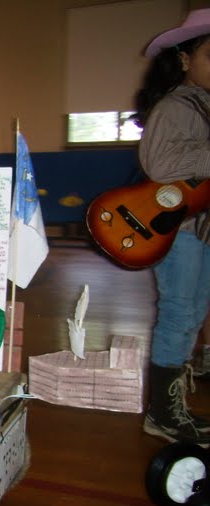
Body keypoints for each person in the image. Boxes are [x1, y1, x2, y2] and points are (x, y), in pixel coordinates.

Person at [133, 8, 210, 447]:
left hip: (199, 229)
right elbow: (161, 164)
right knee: (180, 314)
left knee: (193, 315)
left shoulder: (202, 104)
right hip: (180, 230)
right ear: (184, 59)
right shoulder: (177, 105)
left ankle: (172, 406)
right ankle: (162, 414)